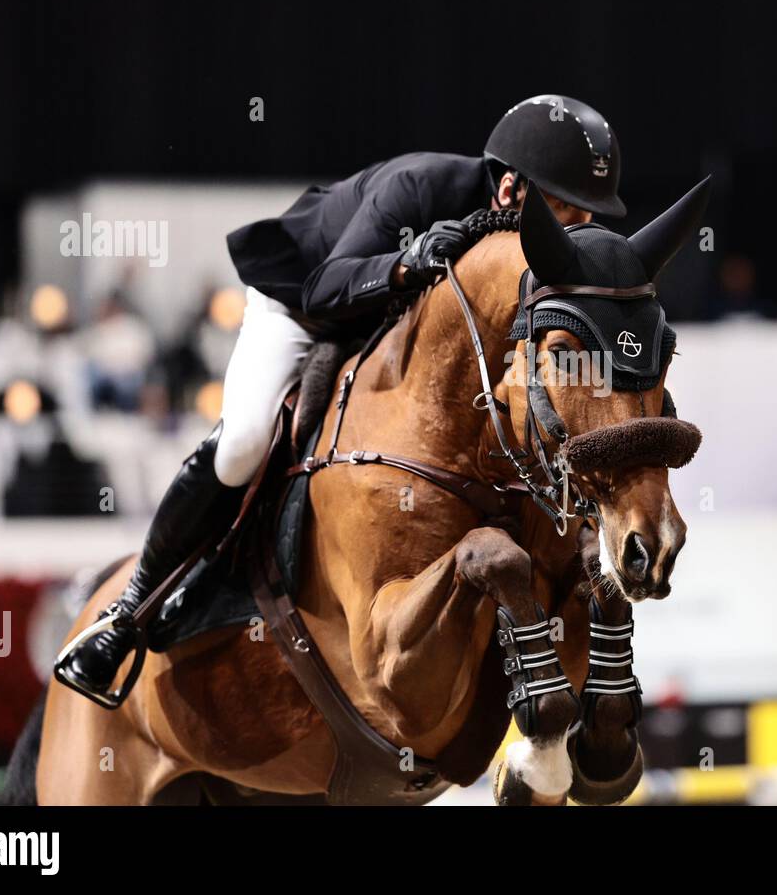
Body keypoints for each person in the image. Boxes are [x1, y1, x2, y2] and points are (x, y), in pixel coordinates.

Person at [56, 95, 627, 704]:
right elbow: (325, 286)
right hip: (309, 307)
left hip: (395, 339)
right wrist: (408, 263)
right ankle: (127, 611)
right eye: (566, 214)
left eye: (585, 220)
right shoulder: (419, 186)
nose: (575, 235)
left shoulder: (531, 257)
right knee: (245, 441)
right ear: (511, 190)